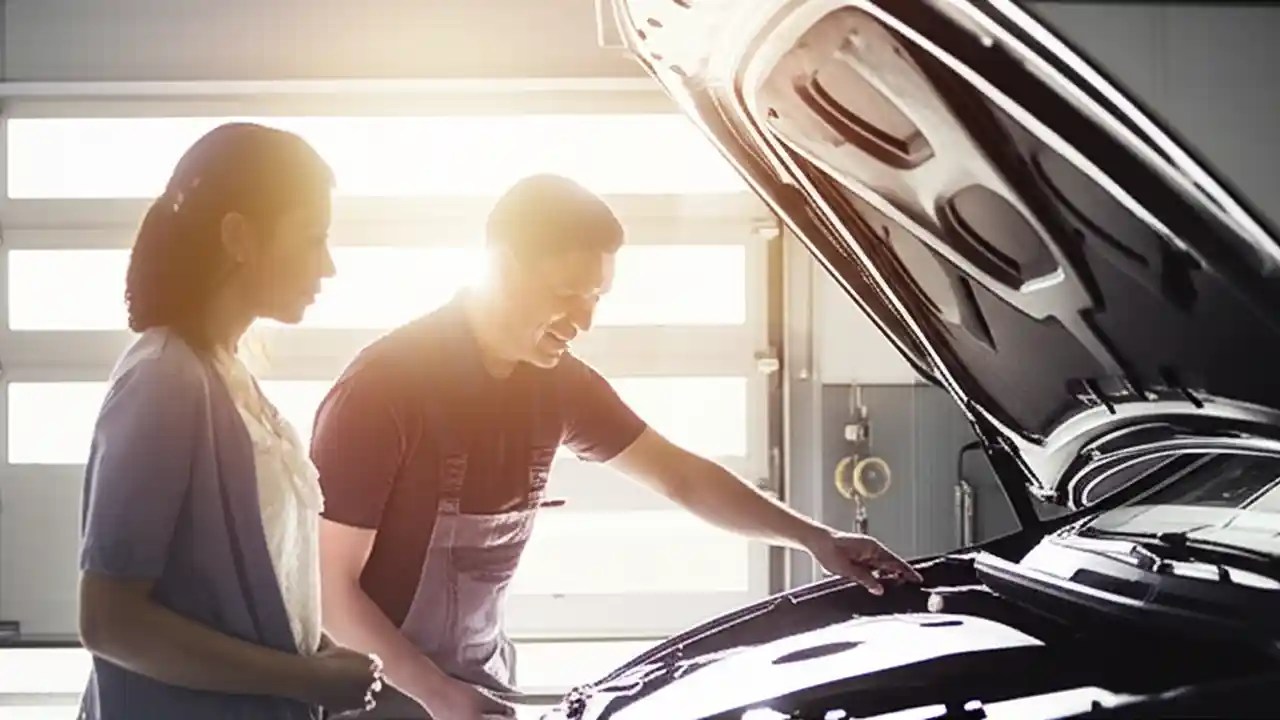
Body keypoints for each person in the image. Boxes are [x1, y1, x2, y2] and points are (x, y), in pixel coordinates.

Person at [312, 174, 922, 719]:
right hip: (373, 696)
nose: (583, 322)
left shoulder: (557, 384)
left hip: (480, 689)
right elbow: (331, 591)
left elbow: (680, 476)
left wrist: (816, 538)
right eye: (567, 294)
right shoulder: (382, 391)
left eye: (595, 299)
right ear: (499, 265)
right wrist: (436, 695)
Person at [76, 122, 385, 719]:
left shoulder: (227, 372)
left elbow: (240, 592)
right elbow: (110, 622)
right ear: (240, 236)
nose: (328, 267)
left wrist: (316, 655)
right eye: (312, 239)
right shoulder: (163, 380)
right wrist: (304, 678)